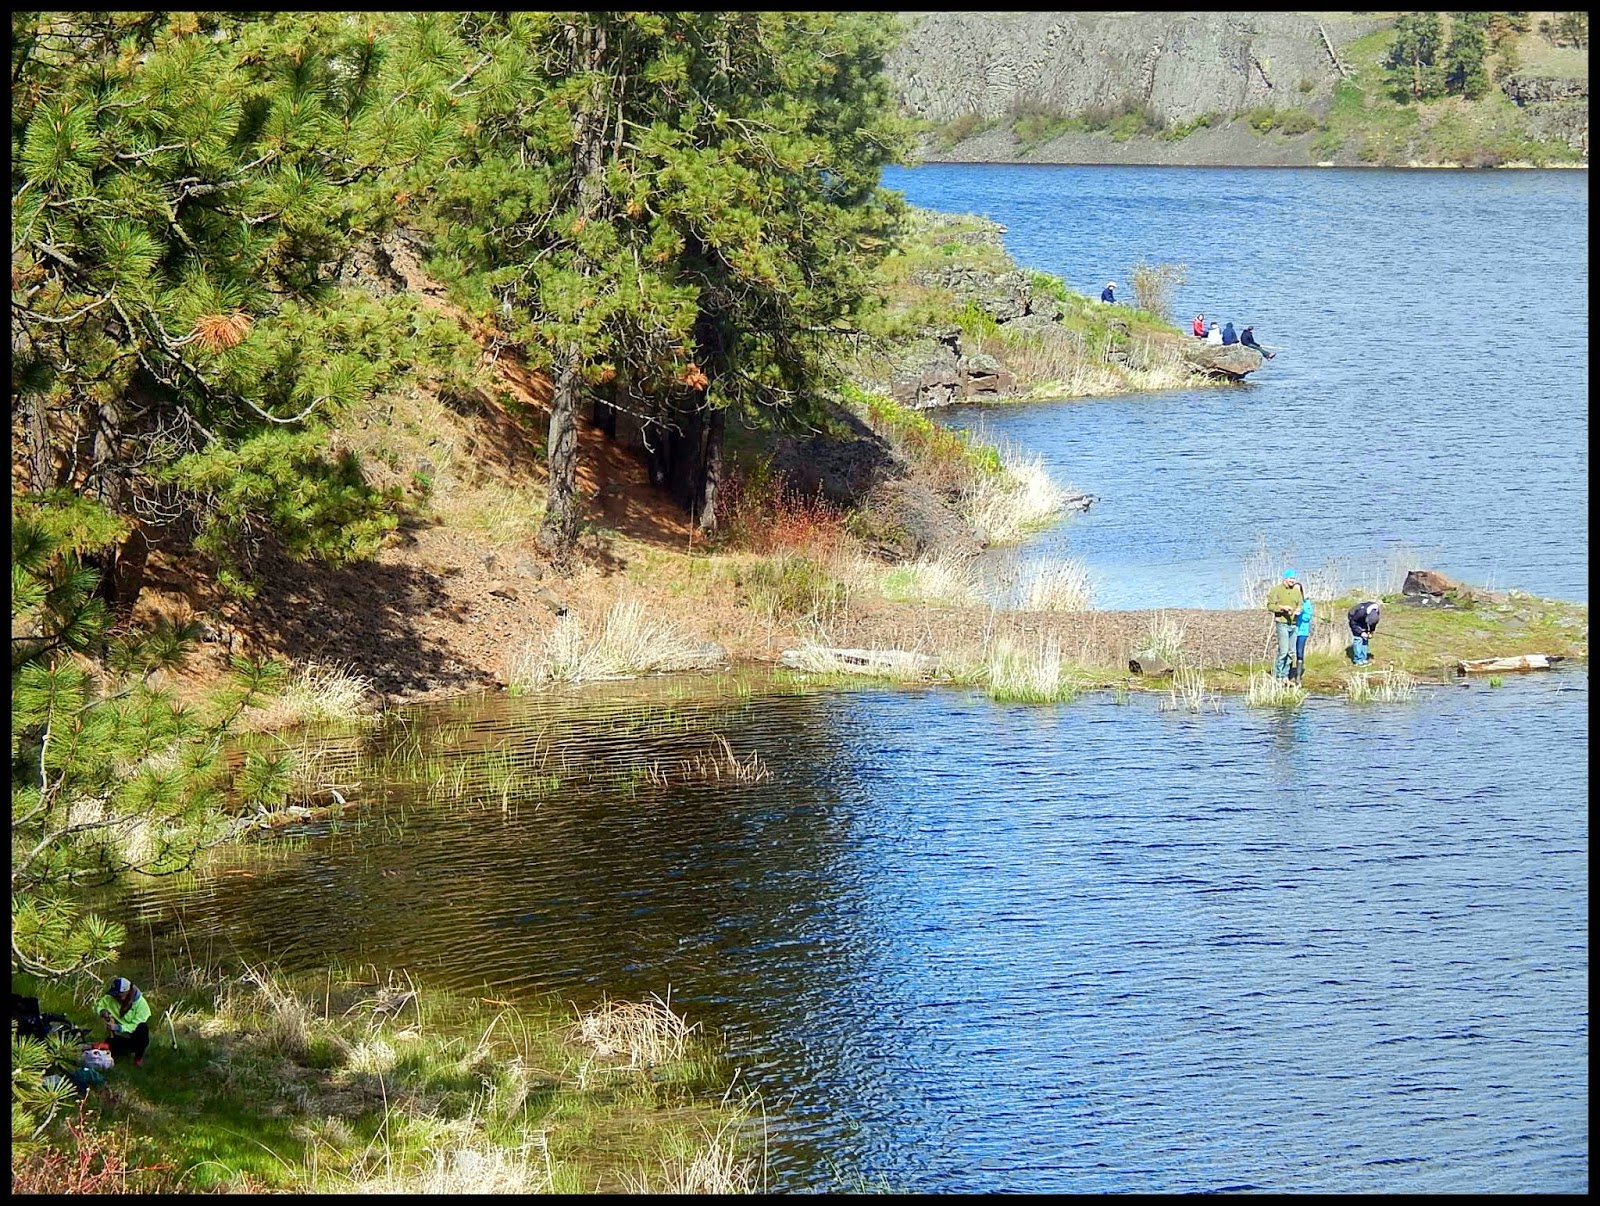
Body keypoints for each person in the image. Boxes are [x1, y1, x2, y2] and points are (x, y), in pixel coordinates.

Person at [95, 976, 151, 1067]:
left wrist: (119, 1027)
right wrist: (102, 1011)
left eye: (118, 995)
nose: (115, 997)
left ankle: (138, 1057)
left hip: (134, 1036)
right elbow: (100, 1005)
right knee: (105, 1051)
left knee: (143, 1028)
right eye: (114, 995)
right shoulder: (110, 998)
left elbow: (135, 1025)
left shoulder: (141, 1005)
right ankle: (120, 1050)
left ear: (127, 992)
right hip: (117, 1035)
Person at [1265, 569, 1305, 681]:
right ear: (1285, 579)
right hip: (1282, 623)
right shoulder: (1276, 590)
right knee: (1283, 651)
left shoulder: (1296, 592)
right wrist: (1282, 608)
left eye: (1294, 578)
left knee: (1291, 652)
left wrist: (1299, 610)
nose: (1293, 581)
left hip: (1294, 624)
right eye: (1291, 578)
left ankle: (1285, 675)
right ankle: (1278, 675)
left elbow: (1301, 605)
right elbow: (1270, 606)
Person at [1347, 599, 1381, 664]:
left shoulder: (1376, 611)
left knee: (1365, 639)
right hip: (1354, 620)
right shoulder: (1360, 612)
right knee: (1358, 639)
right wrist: (1361, 632)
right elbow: (1353, 623)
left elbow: (1373, 623)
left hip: (1363, 619)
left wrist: (1371, 632)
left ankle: (1363, 658)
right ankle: (1357, 660)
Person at [1293, 590, 1313, 683]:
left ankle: (1298, 676)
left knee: (1300, 652)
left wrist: (1299, 613)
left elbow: (1307, 617)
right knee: (1289, 652)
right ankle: (1287, 673)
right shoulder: (1291, 601)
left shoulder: (1306, 602)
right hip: (1292, 630)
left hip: (1302, 632)